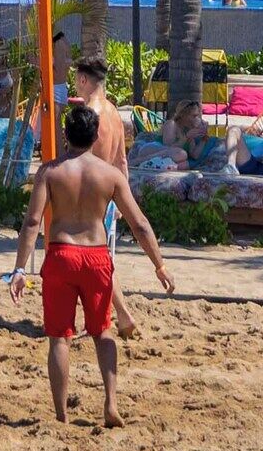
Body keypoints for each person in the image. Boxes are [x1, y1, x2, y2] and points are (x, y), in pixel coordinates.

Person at [16, 103, 171, 429]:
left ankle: (61, 415)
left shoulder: (51, 171)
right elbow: (139, 223)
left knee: (59, 338)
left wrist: (19, 269)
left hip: (61, 255)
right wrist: (159, 265)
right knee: (102, 332)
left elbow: (32, 223)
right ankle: (111, 403)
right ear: (96, 136)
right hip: (96, 257)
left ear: (65, 135)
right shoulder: (110, 174)